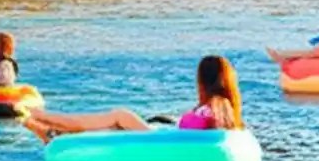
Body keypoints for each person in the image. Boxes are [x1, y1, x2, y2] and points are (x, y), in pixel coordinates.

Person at [22, 56, 244, 141]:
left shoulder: (217, 104)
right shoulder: (219, 105)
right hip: (168, 137)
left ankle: (46, 118)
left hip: (166, 143)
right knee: (116, 127)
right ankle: (53, 133)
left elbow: (220, 132)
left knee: (120, 115)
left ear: (204, 79)